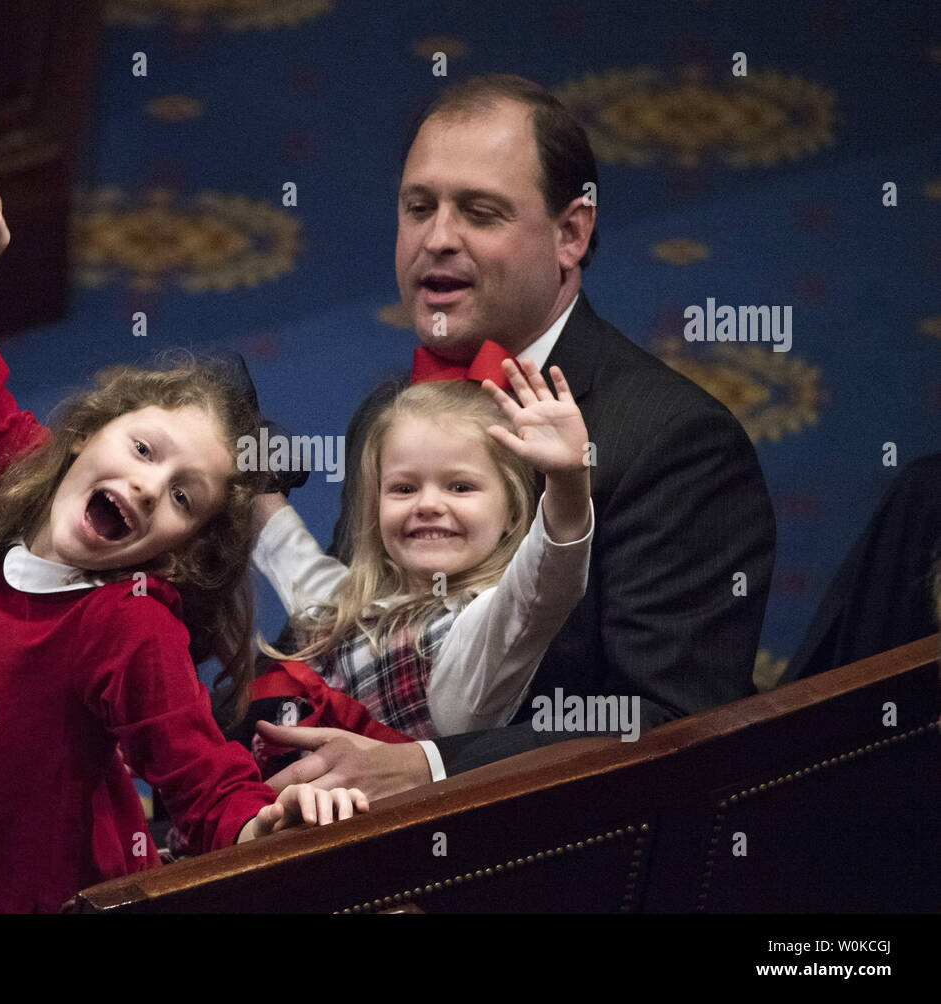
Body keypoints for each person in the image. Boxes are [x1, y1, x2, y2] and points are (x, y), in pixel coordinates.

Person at [255, 73, 775, 799]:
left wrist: (429, 770)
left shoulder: (676, 444)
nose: (437, 240)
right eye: (419, 208)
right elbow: (347, 625)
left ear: (571, 234)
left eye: (480, 213)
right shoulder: (394, 410)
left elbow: (671, 722)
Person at [0, 187, 367, 913]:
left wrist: (265, 824)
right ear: (89, 432)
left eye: (183, 497)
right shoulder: (25, 479)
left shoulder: (129, 623)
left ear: (182, 551)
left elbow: (201, 778)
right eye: (141, 447)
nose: (144, 485)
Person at [251, 363, 592, 746]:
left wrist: (567, 480)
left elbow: (548, 579)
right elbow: (290, 554)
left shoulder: (482, 627)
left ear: (513, 512)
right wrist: (249, 477)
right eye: (404, 488)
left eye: (460, 487)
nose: (428, 504)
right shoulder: (348, 608)